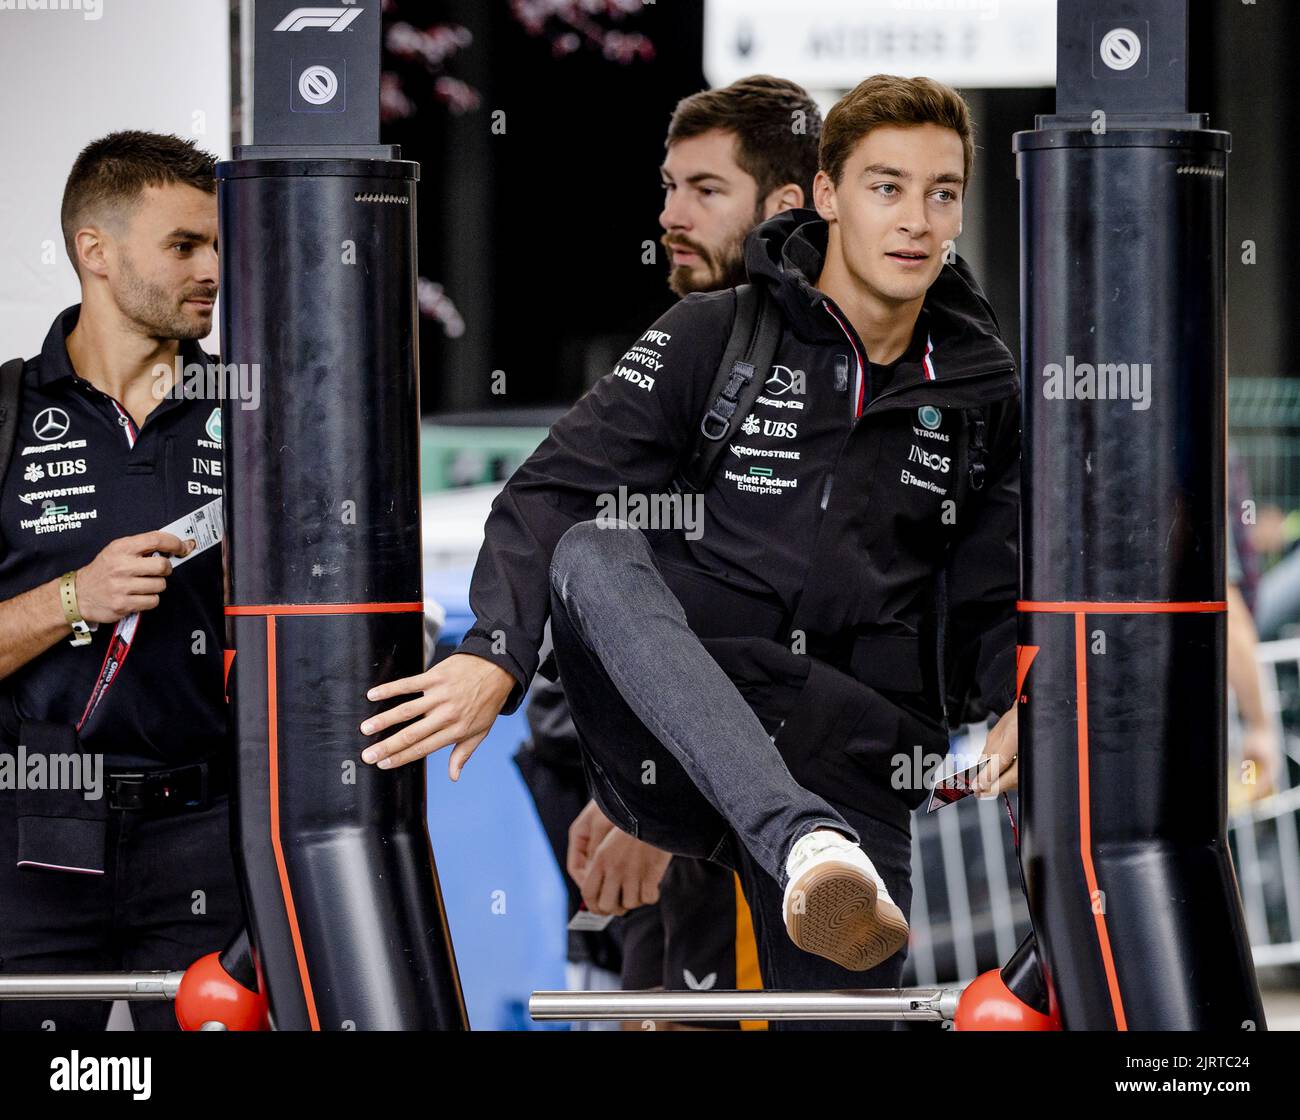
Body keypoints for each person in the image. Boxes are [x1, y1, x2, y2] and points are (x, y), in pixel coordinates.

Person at [363, 74, 1021, 1030]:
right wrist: (493, 651)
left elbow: (998, 589)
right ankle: (799, 842)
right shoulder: (717, 332)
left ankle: (809, 848)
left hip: (854, 754)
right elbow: (549, 493)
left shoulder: (979, 390)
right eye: (886, 186)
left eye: (942, 191)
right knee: (593, 548)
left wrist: (1020, 701)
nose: (918, 218)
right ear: (828, 195)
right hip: (674, 740)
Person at [513, 74, 823, 1032]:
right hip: (626, 814)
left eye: (703, 190)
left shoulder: (817, 361)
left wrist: (658, 800)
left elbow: (780, 630)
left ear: (785, 207)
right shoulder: (694, 342)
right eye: (667, 187)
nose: (668, 216)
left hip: (732, 837)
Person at [0, 131, 239, 1030]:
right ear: (93, 252)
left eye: (217, 245)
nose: (212, 268)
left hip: (207, 831)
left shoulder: (257, 414)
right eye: (184, 246)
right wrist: (74, 599)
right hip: (28, 830)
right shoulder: (7, 414)